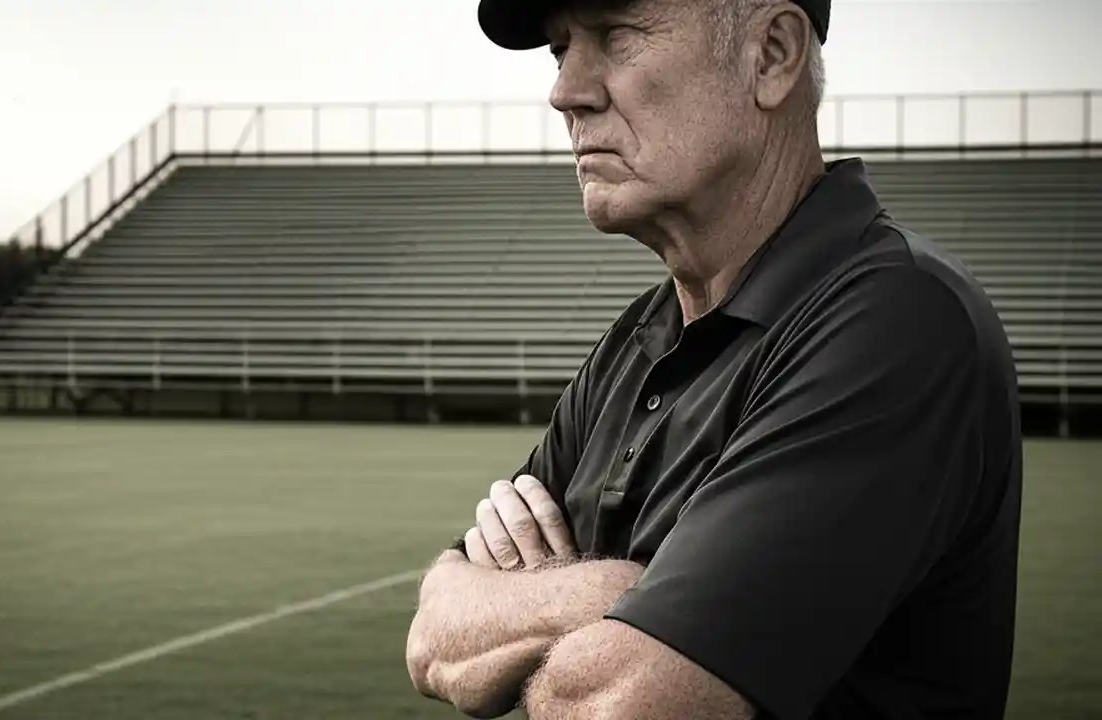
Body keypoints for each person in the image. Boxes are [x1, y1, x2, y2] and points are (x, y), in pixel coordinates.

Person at [405, 0, 1024, 718]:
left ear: (772, 55)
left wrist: (540, 606)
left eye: (616, 36)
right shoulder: (638, 339)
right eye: (559, 48)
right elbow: (434, 635)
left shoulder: (896, 320)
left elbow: (619, 705)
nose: (565, 91)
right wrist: (619, 594)